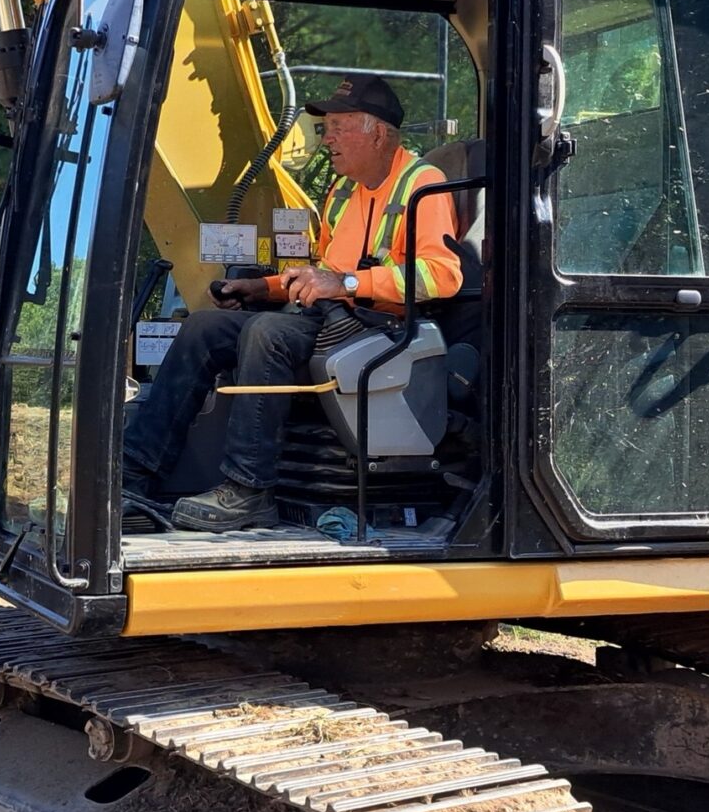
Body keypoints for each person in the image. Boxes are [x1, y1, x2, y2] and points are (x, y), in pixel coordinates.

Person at [122, 74, 464, 531]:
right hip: (331, 321)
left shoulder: (423, 184)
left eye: (340, 126)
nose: (327, 139)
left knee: (269, 333)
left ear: (377, 132)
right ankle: (135, 472)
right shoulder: (344, 192)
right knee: (205, 327)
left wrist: (344, 282)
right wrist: (263, 289)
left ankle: (248, 488)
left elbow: (443, 277)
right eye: (327, 128)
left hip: (380, 330)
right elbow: (318, 274)